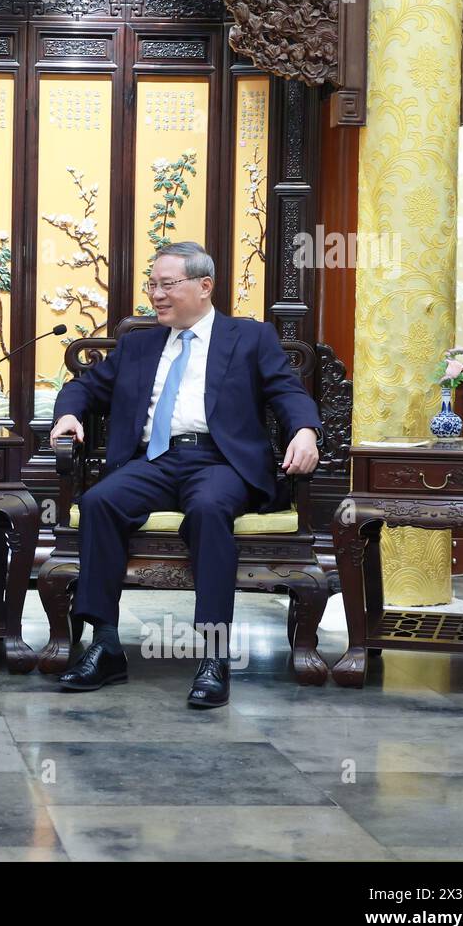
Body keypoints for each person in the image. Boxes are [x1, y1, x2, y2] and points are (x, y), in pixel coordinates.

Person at [48, 241, 321, 707]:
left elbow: (287, 392)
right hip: (154, 461)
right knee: (98, 502)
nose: (156, 294)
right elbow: (85, 387)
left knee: (210, 508)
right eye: (152, 284)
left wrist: (306, 431)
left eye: (167, 284)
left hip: (218, 461)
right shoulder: (139, 344)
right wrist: (68, 415)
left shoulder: (249, 338)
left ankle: (214, 656)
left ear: (204, 286)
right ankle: (106, 644)